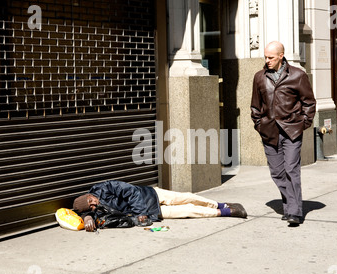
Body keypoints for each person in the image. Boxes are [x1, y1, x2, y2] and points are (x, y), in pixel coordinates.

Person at [250, 41, 316, 225]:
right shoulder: (259, 77)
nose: (267, 61)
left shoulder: (298, 75)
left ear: (281, 55)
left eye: (271, 57)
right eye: (265, 57)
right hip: (269, 130)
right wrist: (259, 124)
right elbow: (255, 105)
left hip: (292, 130)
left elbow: (309, 102)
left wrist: (303, 123)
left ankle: (294, 212)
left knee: (291, 170)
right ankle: (290, 206)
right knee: (277, 173)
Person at [72, 180, 247, 232]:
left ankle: (220, 203)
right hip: (155, 212)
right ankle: (227, 211)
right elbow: (90, 217)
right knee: (188, 211)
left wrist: (140, 213)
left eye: (91, 200)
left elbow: (130, 191)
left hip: (151, 195)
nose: (94, 203)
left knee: (187, 198)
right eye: (91, 207)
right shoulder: (94, 210)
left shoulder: (103, 188)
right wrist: (87, 217)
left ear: (89, 195)